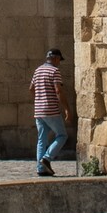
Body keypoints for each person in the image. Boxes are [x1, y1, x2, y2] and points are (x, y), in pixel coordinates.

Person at [32, 48, 69, 177]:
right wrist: (66, 109)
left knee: (41, 139)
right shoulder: (55, 71)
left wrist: (39, 99)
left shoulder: (37, 71)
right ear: (55, 58)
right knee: (62, 135)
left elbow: (31, 88)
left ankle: (40, 168)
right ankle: (47, 158)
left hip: (39, 111)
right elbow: (58, 91)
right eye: (59, 59)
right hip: (51, 110)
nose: (59, 62)